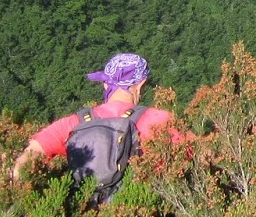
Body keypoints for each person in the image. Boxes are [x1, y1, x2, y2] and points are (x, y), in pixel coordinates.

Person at [10, 52, 178, 186]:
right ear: (141, 85)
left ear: (106, 84)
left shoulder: (75, 123)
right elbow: (198, 155)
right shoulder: (160, 121)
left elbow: (27, 160)